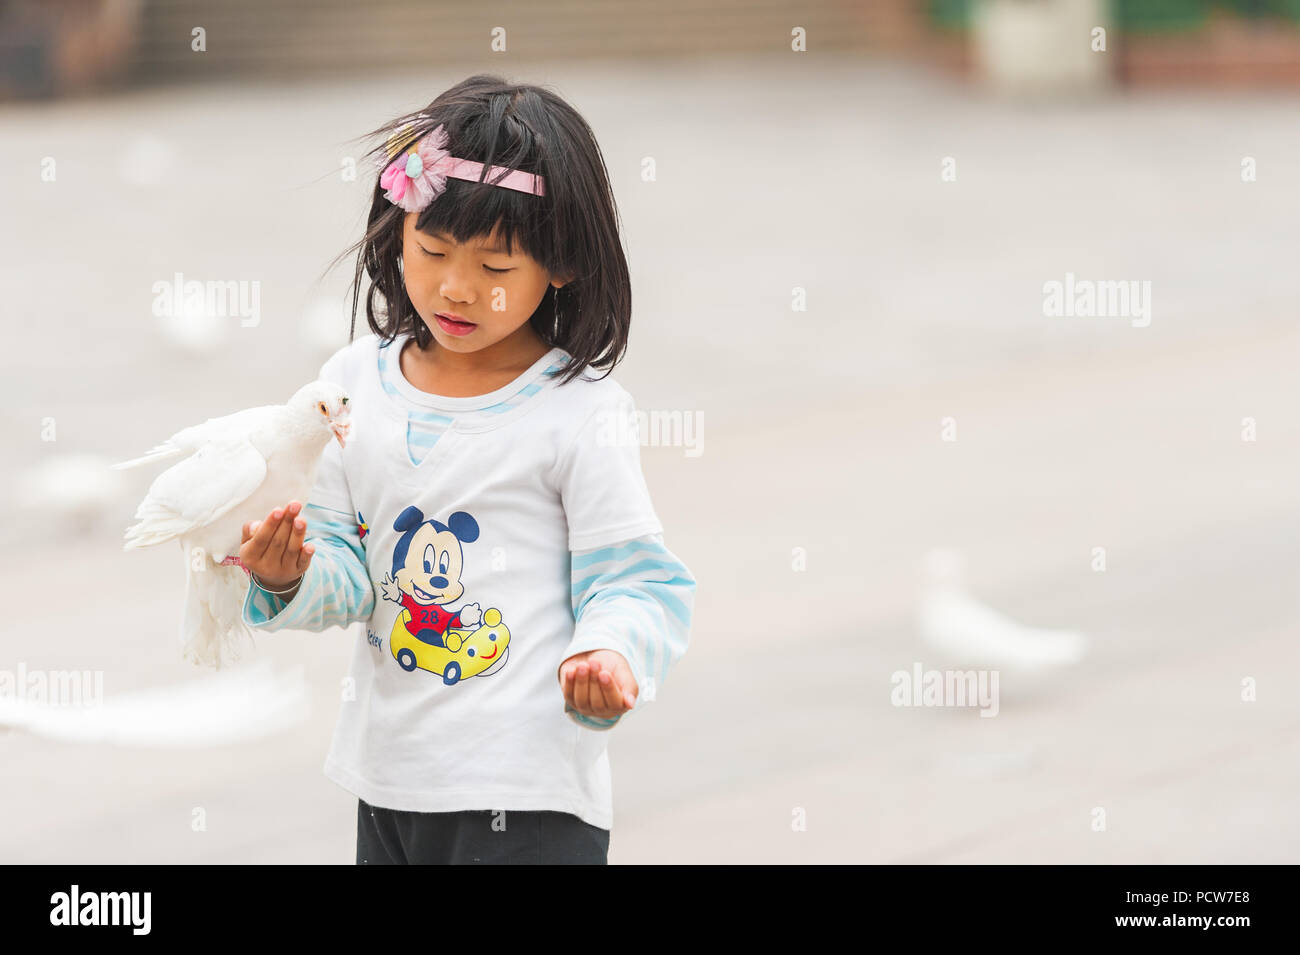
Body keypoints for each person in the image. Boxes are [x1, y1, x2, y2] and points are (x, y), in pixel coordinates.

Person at [235, 74, 695, 865]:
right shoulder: (350, 384)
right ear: (398, 230)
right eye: (435, 249)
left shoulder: (578, 411)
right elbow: (351, 570)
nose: (456, 287)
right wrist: (288, 576)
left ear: (562, 266)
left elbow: (637, 581)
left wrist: (609, 652)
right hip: (389, 782)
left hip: (530, 793)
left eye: (496, 267)